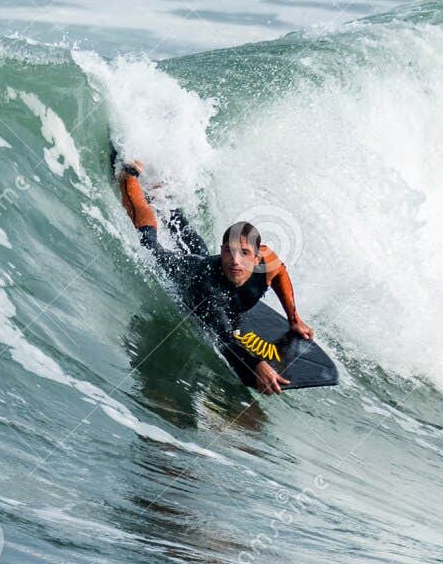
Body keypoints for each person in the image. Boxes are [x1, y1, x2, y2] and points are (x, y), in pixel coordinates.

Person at [116, 159, 312, 395]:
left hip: (204, 263)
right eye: (228, 250)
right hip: (186, 272)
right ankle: (128, 177)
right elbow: (224, 340)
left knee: (191, 238)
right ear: (222, 250)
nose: (235, 260)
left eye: (244, 253)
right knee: (151, 244)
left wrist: (294, 318)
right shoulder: (210, 291)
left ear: (258, 257)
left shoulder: (267, 261)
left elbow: (280, 272)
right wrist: (256, 365)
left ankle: (161, 194)